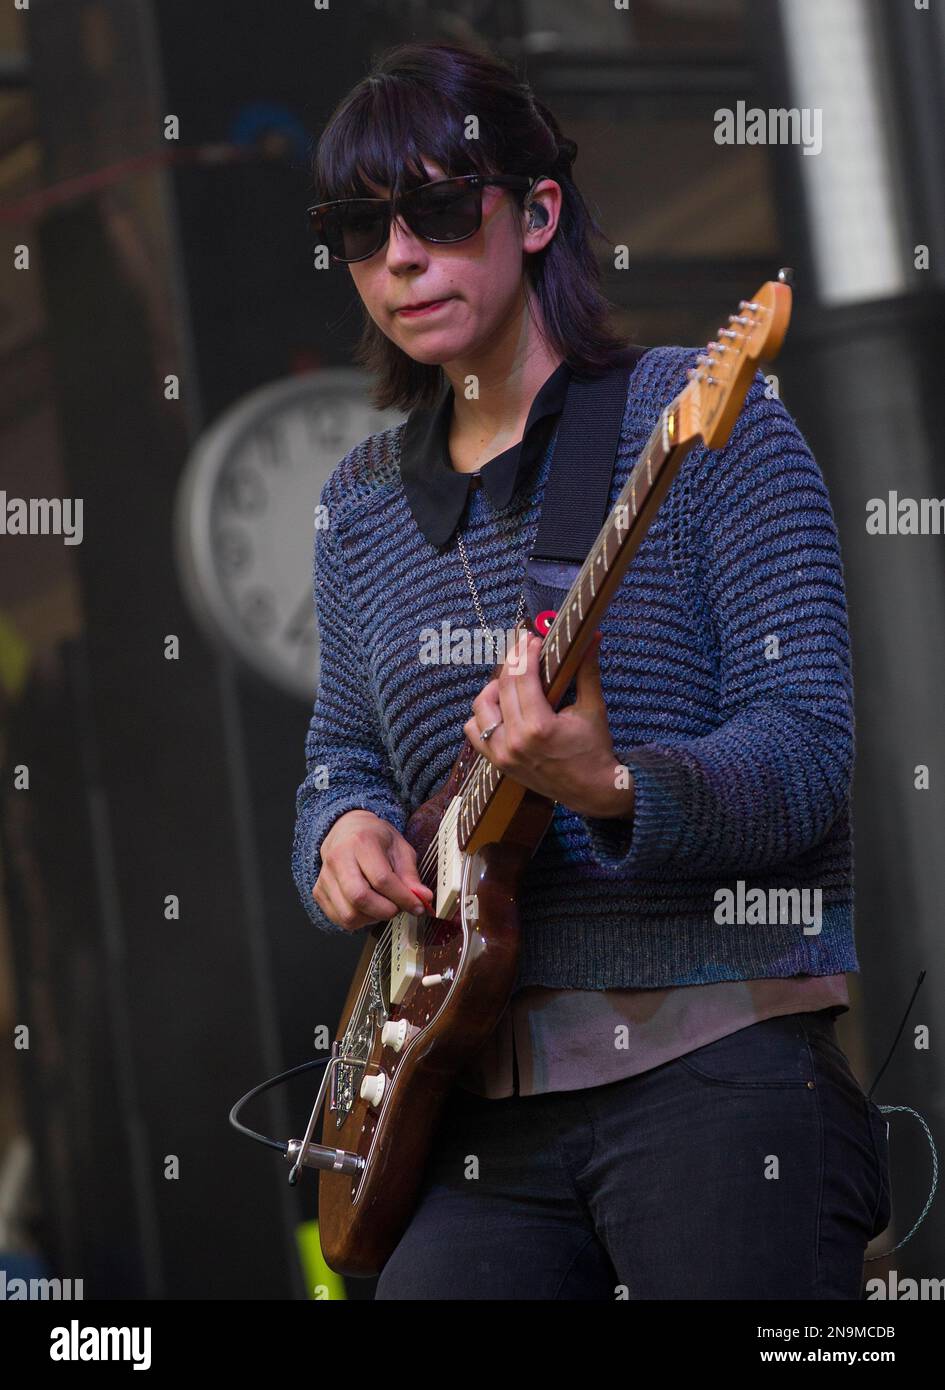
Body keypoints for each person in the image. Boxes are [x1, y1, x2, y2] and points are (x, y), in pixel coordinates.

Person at [291, 39, 891, 1299]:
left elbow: (810, 755)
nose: (402, 256)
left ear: (538, 212)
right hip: (469, 1103)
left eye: (443, 210)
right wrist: (339, 827)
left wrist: (613, 783)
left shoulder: (708, 418)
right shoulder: (356, 510)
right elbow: (339, 753)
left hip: (718, 1060)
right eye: (362, 227)